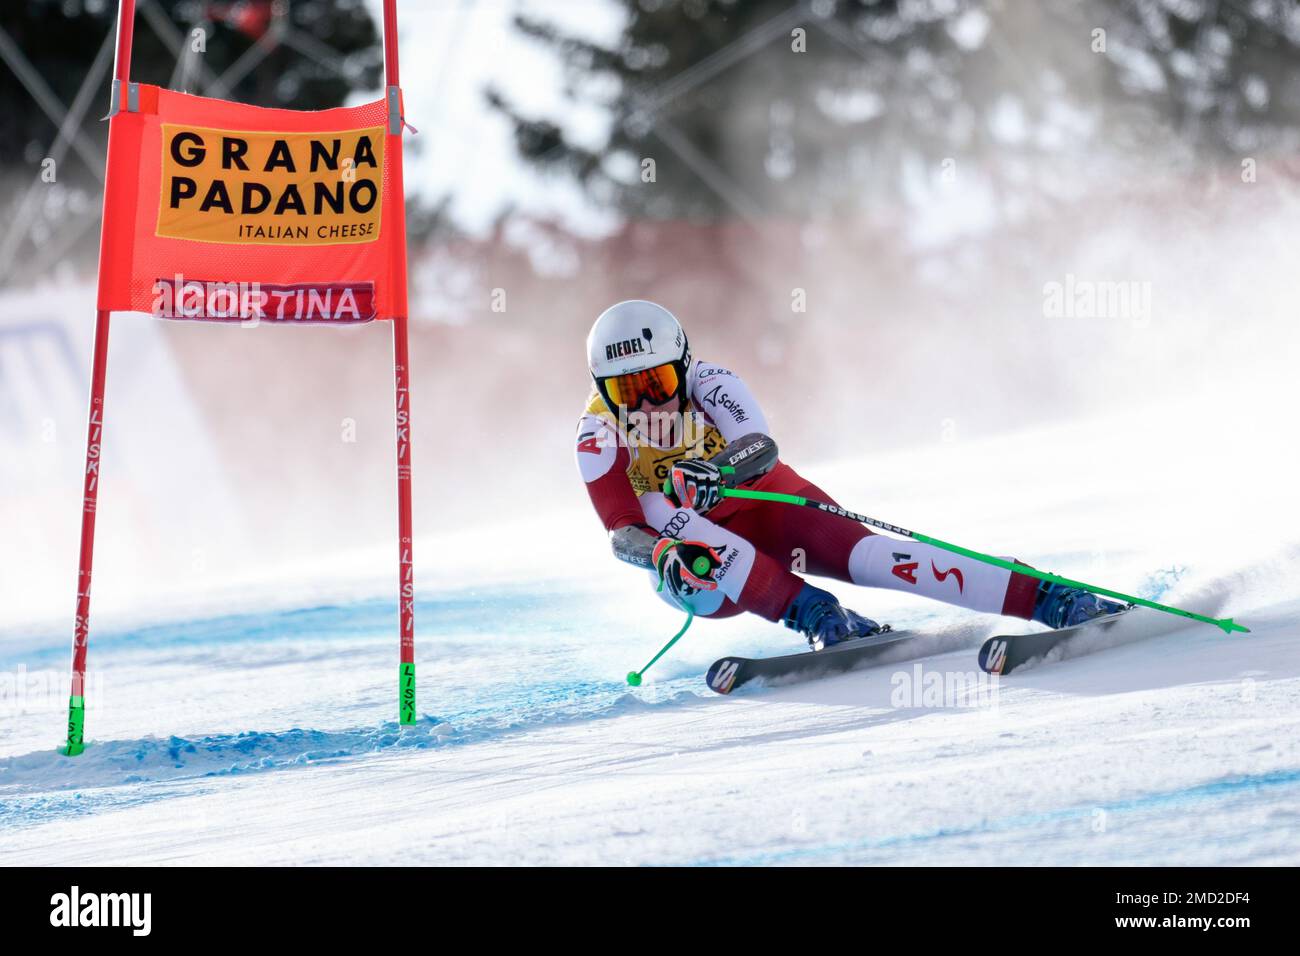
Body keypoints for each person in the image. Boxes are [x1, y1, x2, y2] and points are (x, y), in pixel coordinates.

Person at [575, 300, 1125, 650]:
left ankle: (1047, 596)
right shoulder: (597, 436)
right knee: (658, 510)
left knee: (879, 559)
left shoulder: (712, 380)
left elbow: (760, 446)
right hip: (700, 576)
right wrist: (658, 555)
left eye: (658, 383)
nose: (647, 404)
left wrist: (715, 471)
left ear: (683, 366)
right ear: (604, 392)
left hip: (773, 509)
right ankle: (811, 612)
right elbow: (621, 530)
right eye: (627, 391)